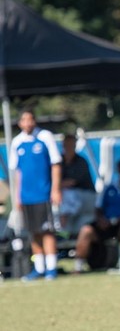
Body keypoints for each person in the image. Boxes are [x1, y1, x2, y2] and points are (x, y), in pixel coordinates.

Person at [8, 109, 62, 281]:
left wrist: (55, 189)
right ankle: (38, 267)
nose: (28, 123)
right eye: (24, 120)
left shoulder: (45, 137)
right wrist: (17, 196)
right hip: (26, 195)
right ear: (20, 123)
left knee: (47, 231)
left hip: (44, 193)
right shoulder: (17, 142)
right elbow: (18, 173)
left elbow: (55, 164)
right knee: (33, 232)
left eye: (30, 119)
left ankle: (51, 268)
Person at [75, 159, 120, 273]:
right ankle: (78, 267)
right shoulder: (109, 188)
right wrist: (101, 220)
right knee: (86, 230)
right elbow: (99, 207)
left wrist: (115, 220)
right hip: (106, 224)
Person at [58, 133, 98, 237]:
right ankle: (63, 231)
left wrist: (57, 185)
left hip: (85, 196)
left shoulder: (81, 161)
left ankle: (63, 231)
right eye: (66, 144)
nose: (69, 147)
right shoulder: (59, 161)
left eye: (71, 144)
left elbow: (71, 182)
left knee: (67, 195)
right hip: (69, 199)